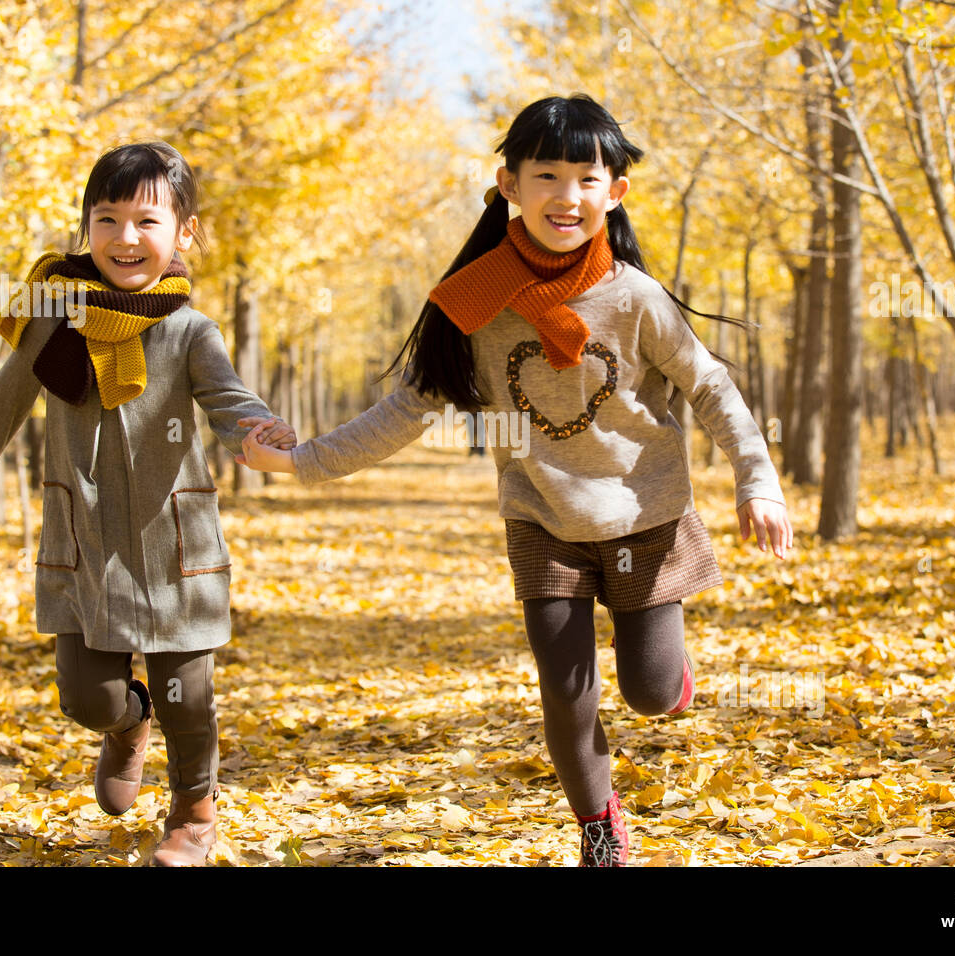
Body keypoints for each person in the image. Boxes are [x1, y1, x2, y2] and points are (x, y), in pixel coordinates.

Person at [237, 95, 792, 866]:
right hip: (542, 517)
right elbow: (410, 408)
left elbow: (711, 387)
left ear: (615, 192)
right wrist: (301, 462)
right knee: (567, 691)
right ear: (509, 184)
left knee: (651, 693)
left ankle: (672, 674)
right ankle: (599, 828)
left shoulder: (635, 297)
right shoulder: (476, 304)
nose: (567, 196)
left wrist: (755, 480)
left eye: (586, 179)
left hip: (643, 512)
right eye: (547, 176)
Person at [0, 142, 294, 867]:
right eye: (107, 218)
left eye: (146, 221)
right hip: (85, 544)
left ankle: (193, 814)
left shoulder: (188, 332)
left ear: (184, 232)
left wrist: (259, 431)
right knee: (85, 696)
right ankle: (127, 724)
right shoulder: (54, 322)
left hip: (172, 544)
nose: (125, 237)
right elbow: (1, 406)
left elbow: (226, 397)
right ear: (87, 227)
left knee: (189, 694)